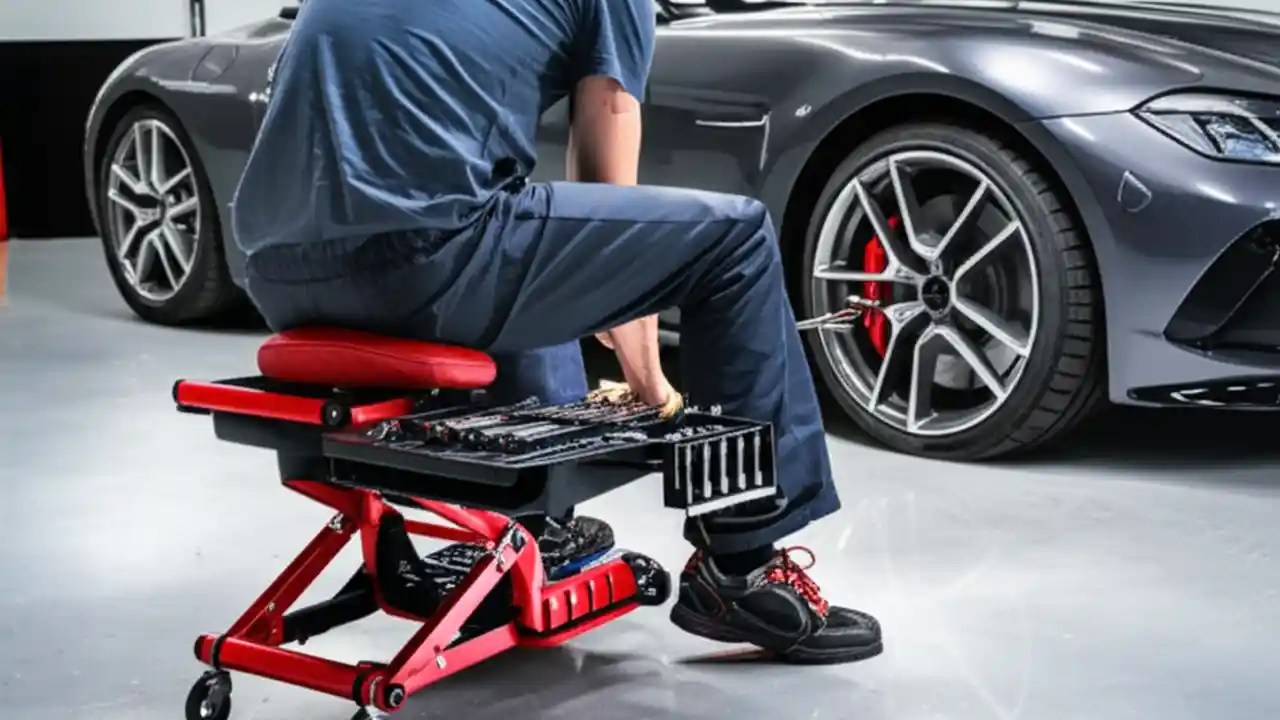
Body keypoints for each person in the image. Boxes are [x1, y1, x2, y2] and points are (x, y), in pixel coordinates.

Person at [230, 0, 882, 664]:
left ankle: (532, 522)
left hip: (275, 274)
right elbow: (609, 160)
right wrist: (648, 380)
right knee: (733, 237)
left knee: (515, 214)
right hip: (422, 262)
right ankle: (742, 570)